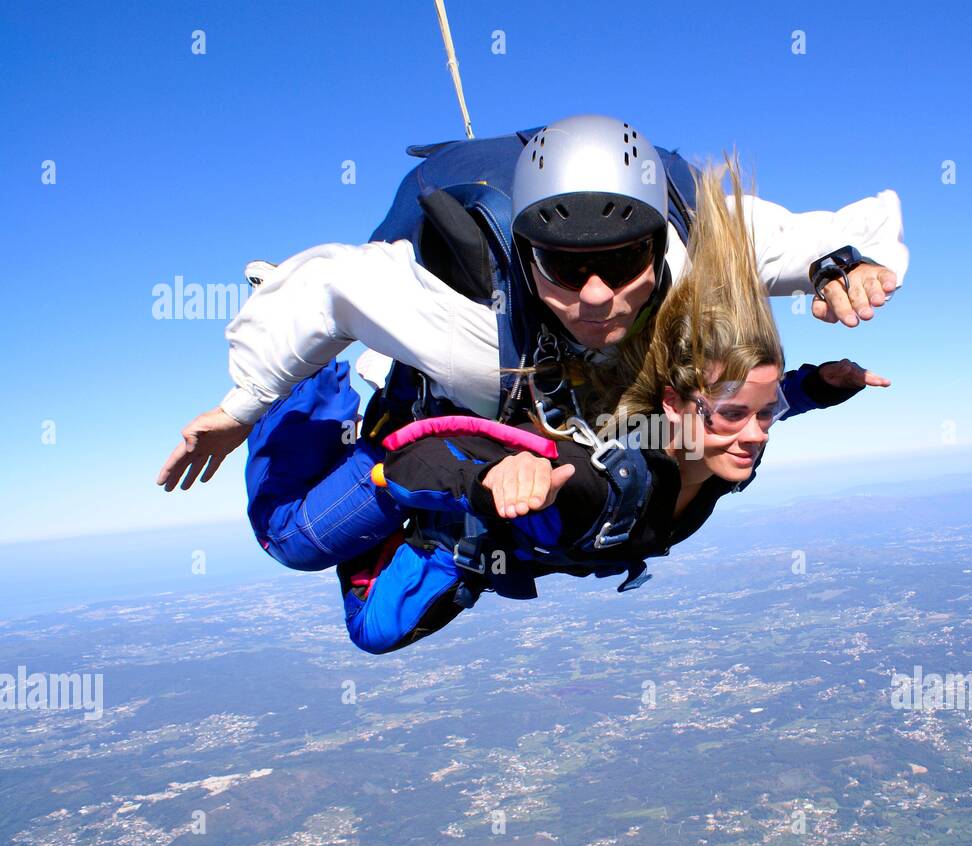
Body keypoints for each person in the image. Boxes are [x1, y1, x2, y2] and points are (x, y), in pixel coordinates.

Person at [155, 116, 904, 571]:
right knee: (292, 540)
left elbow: (787, 236)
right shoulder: (471, 329)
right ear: (528, 256)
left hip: (552, 414)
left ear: (655, 247)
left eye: (622, 263)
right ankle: (333, 391)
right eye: (567, 270)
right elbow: (325, 286)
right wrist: (246, 404)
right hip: (447, 364)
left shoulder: (692, 251)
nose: (598, 297)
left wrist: (837, 265)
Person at [336, 160, 877, 653]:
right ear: (676, 405)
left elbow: (757, 405)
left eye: (764, 415)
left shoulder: (708, 443)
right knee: (372, 626)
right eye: (737, 416)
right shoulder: (592, 480)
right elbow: (417, 460)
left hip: (551, 545)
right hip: (476, 526)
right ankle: (330, 387)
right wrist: (492, 476)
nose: (757, 434)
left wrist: (820, 388)